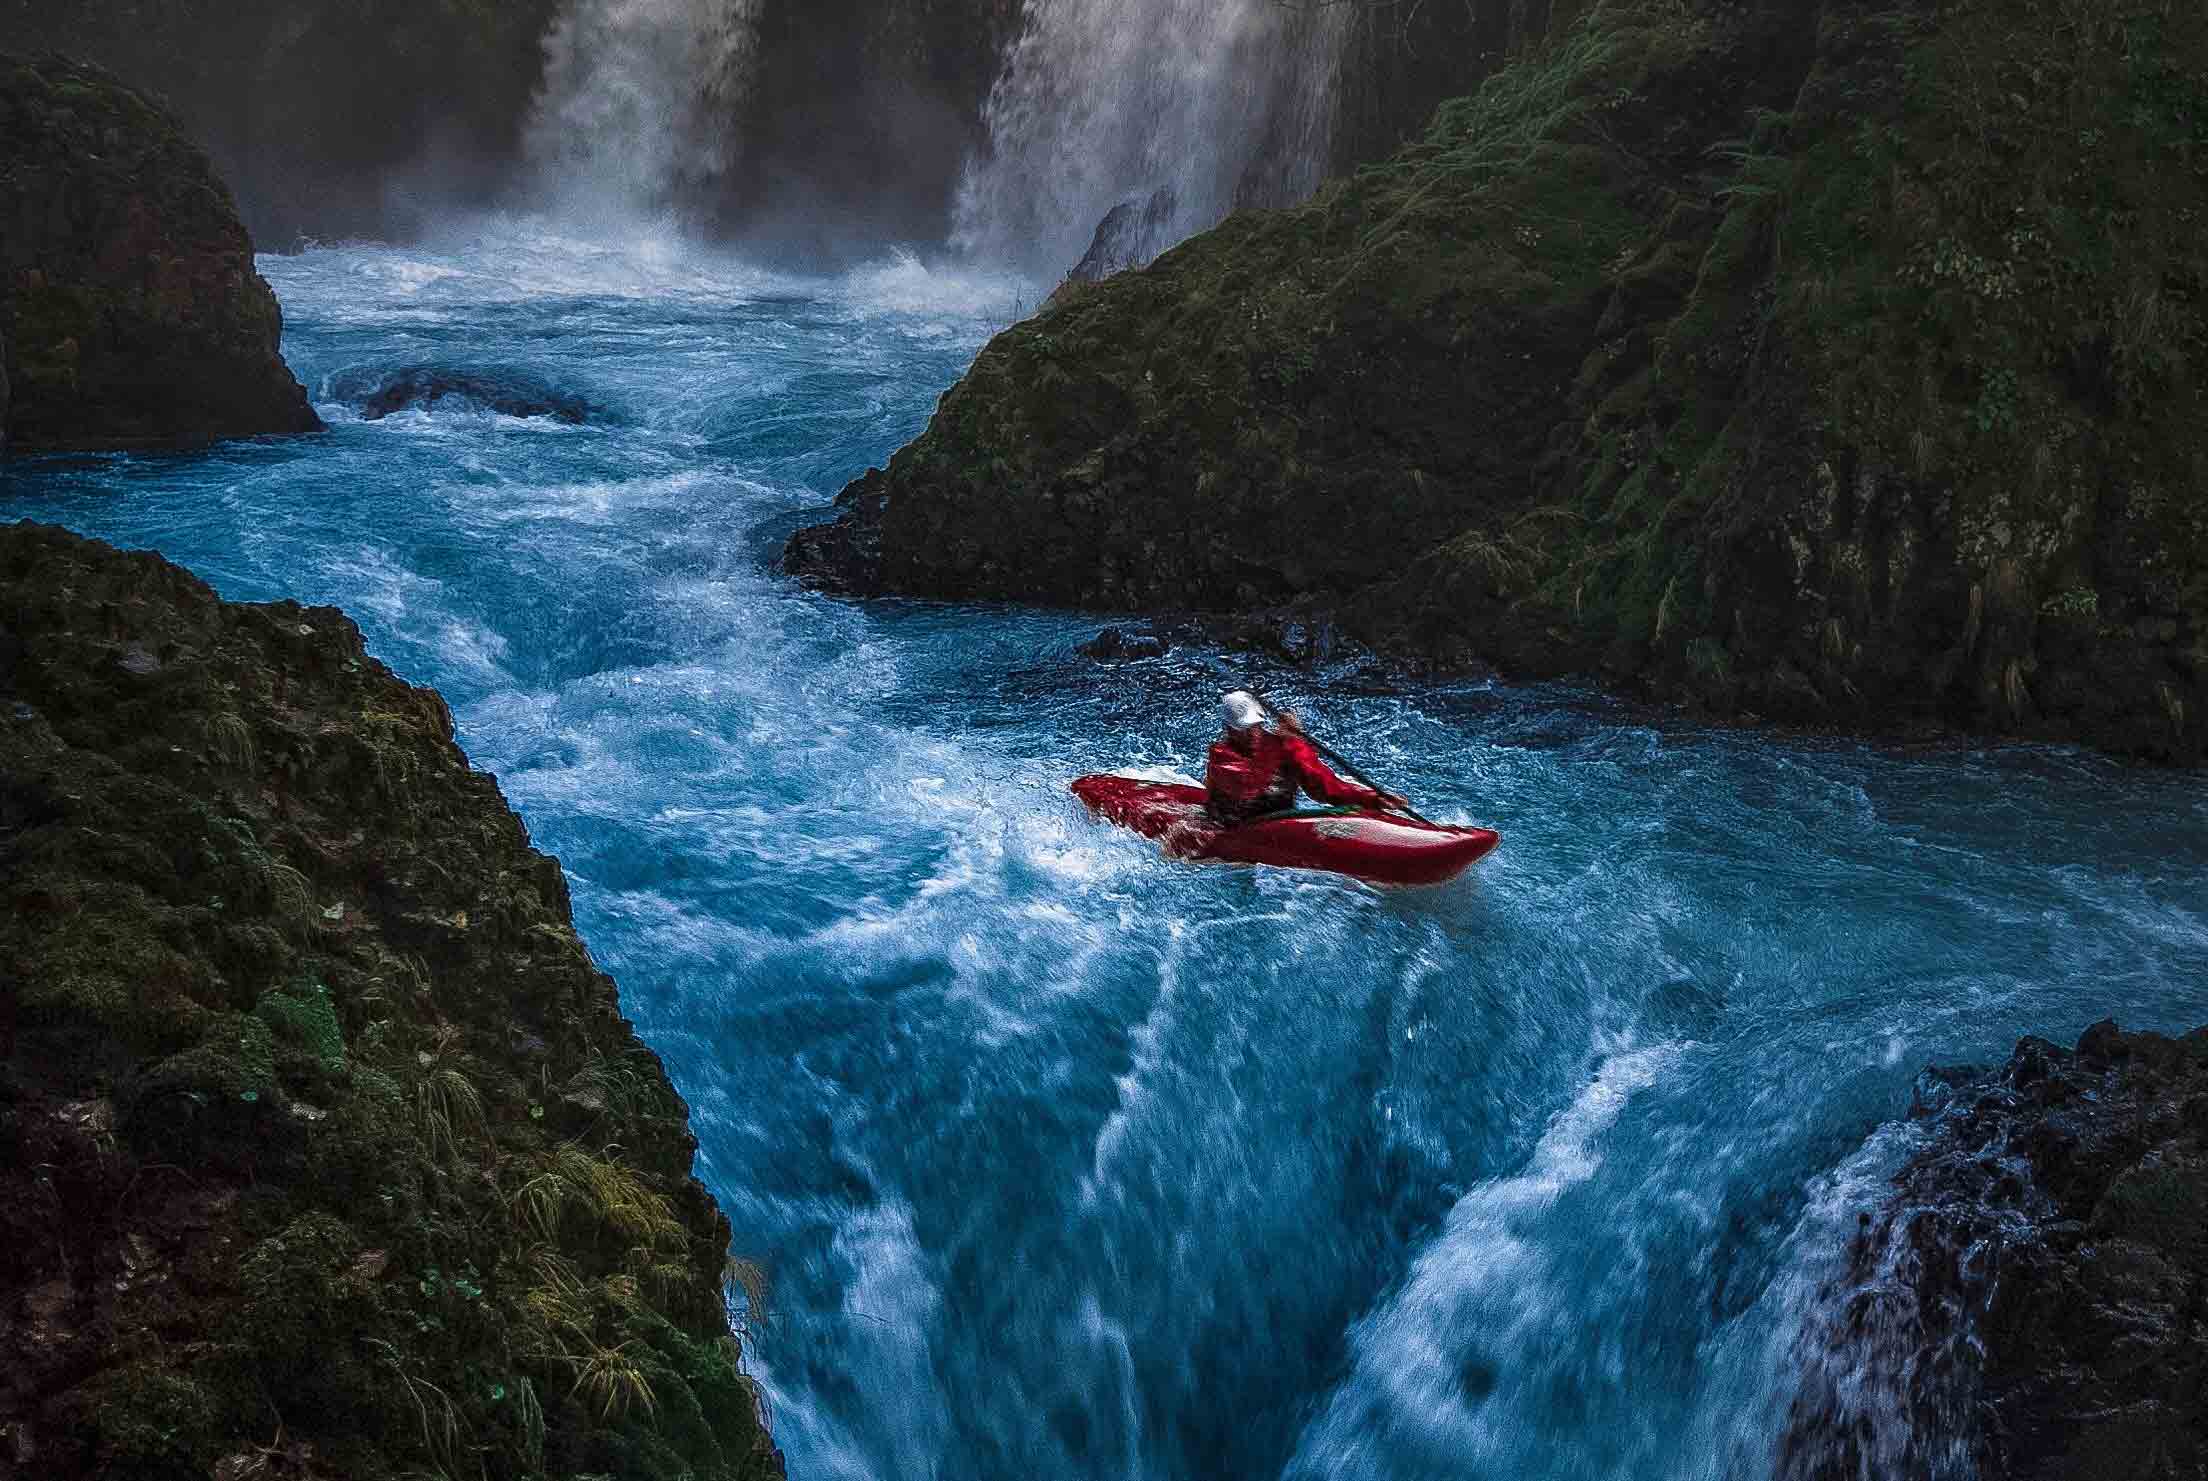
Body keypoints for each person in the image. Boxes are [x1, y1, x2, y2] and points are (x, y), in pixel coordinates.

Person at [1204, 690, 1409, 823]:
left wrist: (1372, 799)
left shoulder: (1278, 745)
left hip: (1280, 823)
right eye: (1244, 728)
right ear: (1229, 729)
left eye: (1255, 726)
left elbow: (1323, 785)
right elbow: (1249, 788)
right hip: (1234, 826)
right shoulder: (1221, 757)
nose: (1252, 733)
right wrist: (1289, 740)